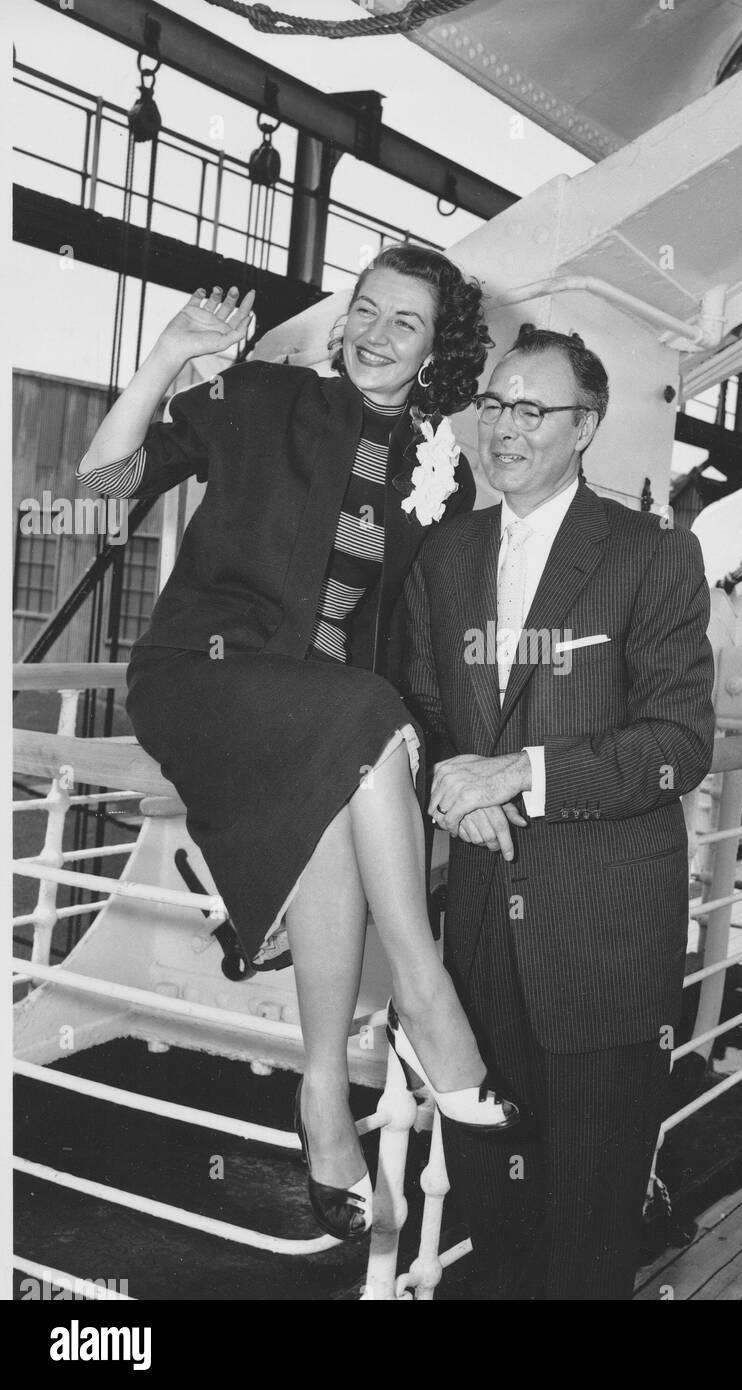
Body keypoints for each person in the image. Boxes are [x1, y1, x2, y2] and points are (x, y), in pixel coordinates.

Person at [77, 246, 518, 1242]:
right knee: (362, 719)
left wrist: (458, 759)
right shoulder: (262, 396)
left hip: (323, 713)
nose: (372, 332)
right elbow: (100, 490)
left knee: (350, 783)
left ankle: (322, 1100)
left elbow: (415, 644)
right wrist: (164, 360)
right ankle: (423, 990)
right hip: (201, 673)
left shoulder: (434, 471)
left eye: (402, 322)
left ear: (434, 348)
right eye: (364, 309)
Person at [402, 324, 715, 1299]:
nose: (502, 426)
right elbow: (411, 712)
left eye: (529, 409)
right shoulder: (444, 556)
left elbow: (677, 744)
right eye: (492, 404)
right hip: (483, 955)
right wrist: (450, 781)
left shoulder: (649, 557)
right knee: (494, 1237)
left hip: (600, 951)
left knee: (583, 1248)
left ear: (584, 428)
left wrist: (519, 774)